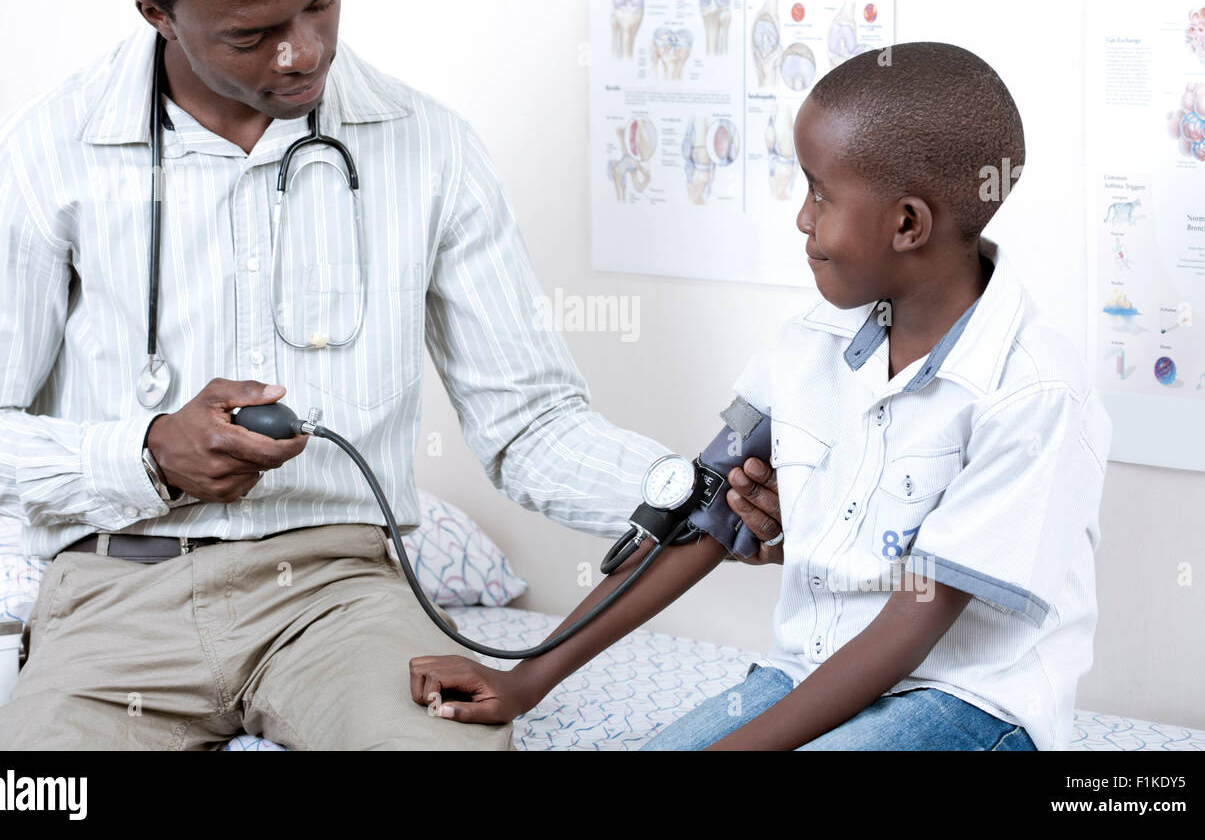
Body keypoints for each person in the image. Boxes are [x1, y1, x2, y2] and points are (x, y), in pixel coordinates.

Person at [0, 0, 783, 750]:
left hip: (340, 595)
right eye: (252, 35)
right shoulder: (40, 157)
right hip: (116, 600)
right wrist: (147, 452)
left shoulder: (431, 148)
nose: (303, 53)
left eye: (320, 2)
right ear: (160, 14)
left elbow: (529, 426)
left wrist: (702, 497)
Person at [409, 42, 1114, 751]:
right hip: (809, 671)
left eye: (820, 193)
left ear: (907, 224)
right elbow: (698, 517)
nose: (803, 220)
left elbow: (912, 625)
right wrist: (529, 679)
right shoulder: (808, 344)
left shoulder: (1032, 392)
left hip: (966, 701)